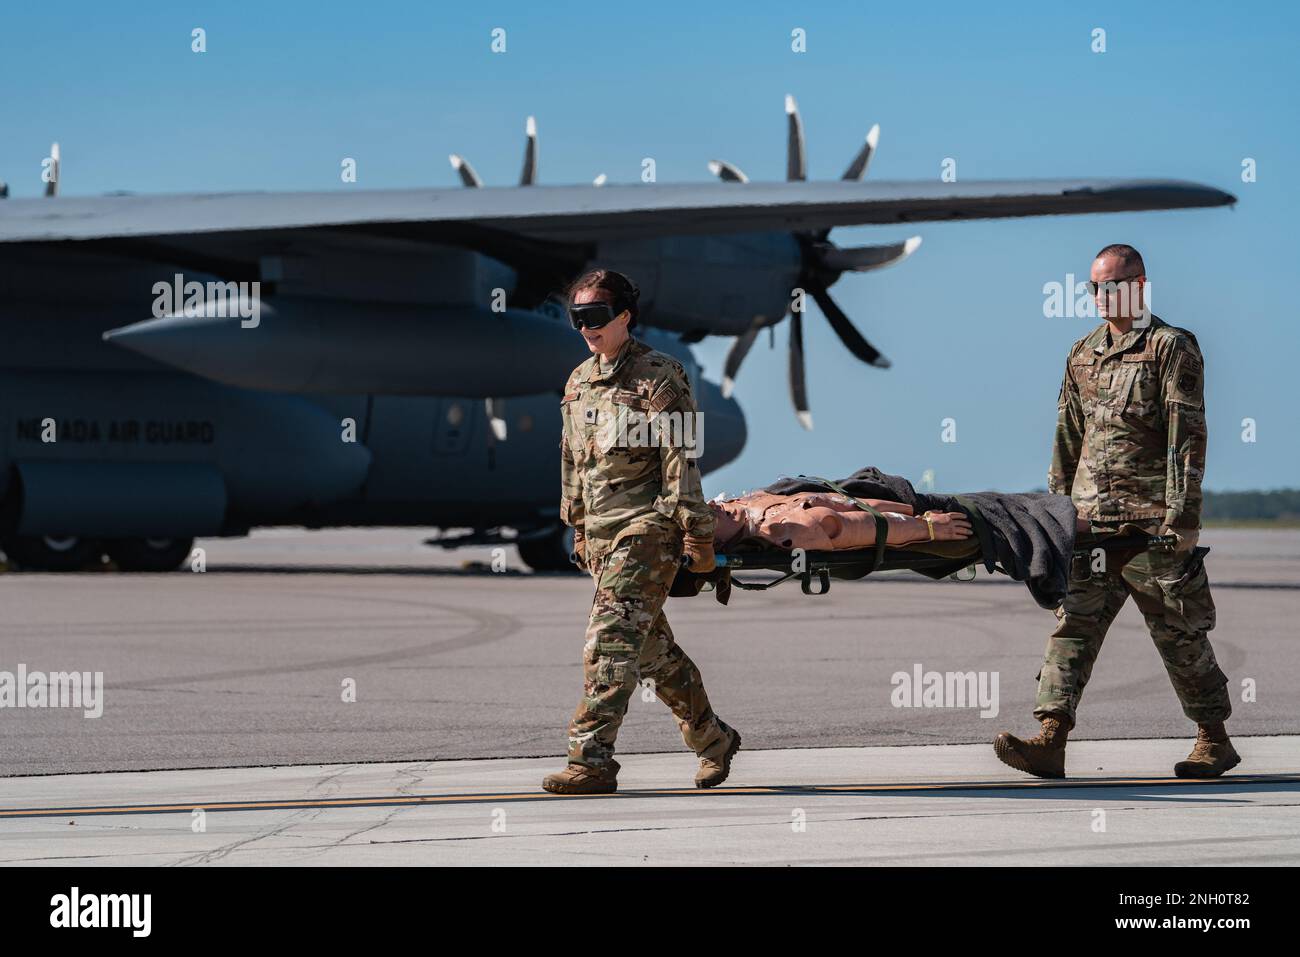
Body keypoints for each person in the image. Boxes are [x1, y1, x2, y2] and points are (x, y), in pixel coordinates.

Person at [994, 244, 1237, 779]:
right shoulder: (1082, 353)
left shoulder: (1172, 347)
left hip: (1152, 527)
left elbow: (1187, 439)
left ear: (1140, 284)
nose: (1101, 297)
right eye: (1093, 287)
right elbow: (1067, 436)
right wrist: (1056, 512)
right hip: (1090, 524)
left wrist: (1183, 519)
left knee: (1178, 634)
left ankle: (1213, 739)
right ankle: (1050, 739)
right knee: (1073, 627)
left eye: (1111, 285)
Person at [543, 268, 740, 795]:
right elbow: (572, 461)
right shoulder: (580, 381)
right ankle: (713, 738)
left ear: (625, 317)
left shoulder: (660, 375)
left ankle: (591, 760)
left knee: (607, 644)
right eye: (577, 318)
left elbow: (682, 463)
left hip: (648, 531)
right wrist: (578, 529)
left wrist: (697, 537)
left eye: (597, 317)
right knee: (651, 652)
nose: (587, 327)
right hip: (603, 535)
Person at [709, 490, 972, 551]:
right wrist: (927, 527)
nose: (711, 506)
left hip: (910, 501)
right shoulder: (792, 530)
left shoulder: (747, 502)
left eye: (707, 505)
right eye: (708, 517)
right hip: (927, 520)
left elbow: (852, 502)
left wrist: (914, 508)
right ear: (718, 542)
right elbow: (870, 526)